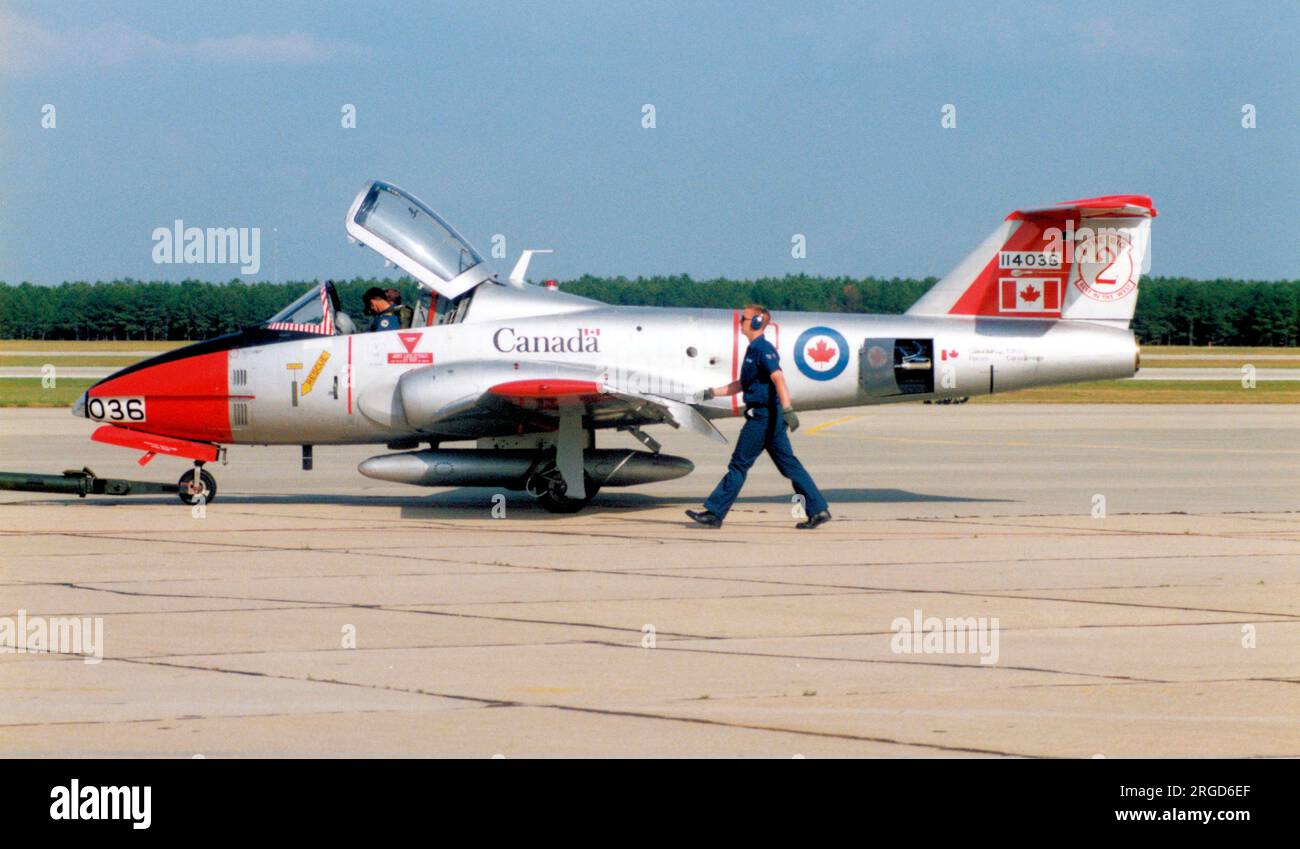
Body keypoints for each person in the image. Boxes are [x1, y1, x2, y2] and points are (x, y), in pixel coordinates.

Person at [686, 305, 832, 530]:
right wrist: (711, 393)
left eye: (743, 319)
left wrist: (788, 410)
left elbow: (779, 379)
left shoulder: (763, 349)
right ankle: (818, 510)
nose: (739, 322)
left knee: (739, 465)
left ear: (755, 323)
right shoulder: (754, 349)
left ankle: (714, 513)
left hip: (763, 418)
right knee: (790, 467)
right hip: (768, 419)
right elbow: (742, 384)